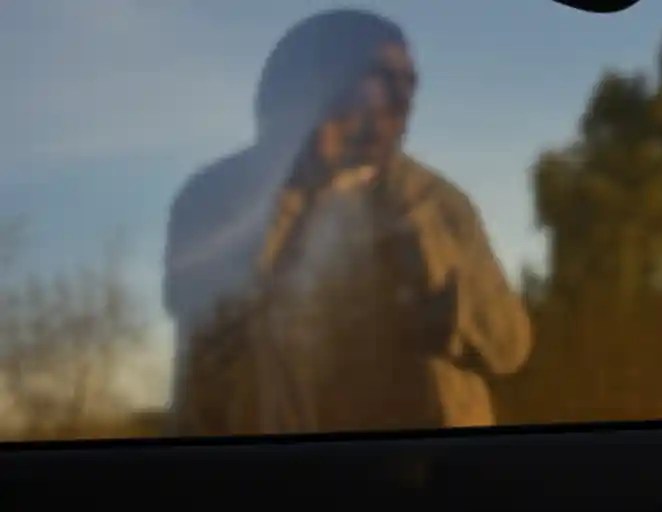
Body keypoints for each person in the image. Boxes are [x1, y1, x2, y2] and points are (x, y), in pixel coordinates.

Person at [164, 10, 531, 435]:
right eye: (382, 77)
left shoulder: (436, 202)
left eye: (410, 83)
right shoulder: (218, 197)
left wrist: (422, 242)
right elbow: (205, 351)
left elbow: (509, 348)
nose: (403, 97)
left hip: (423, 477)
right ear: (322, 80)